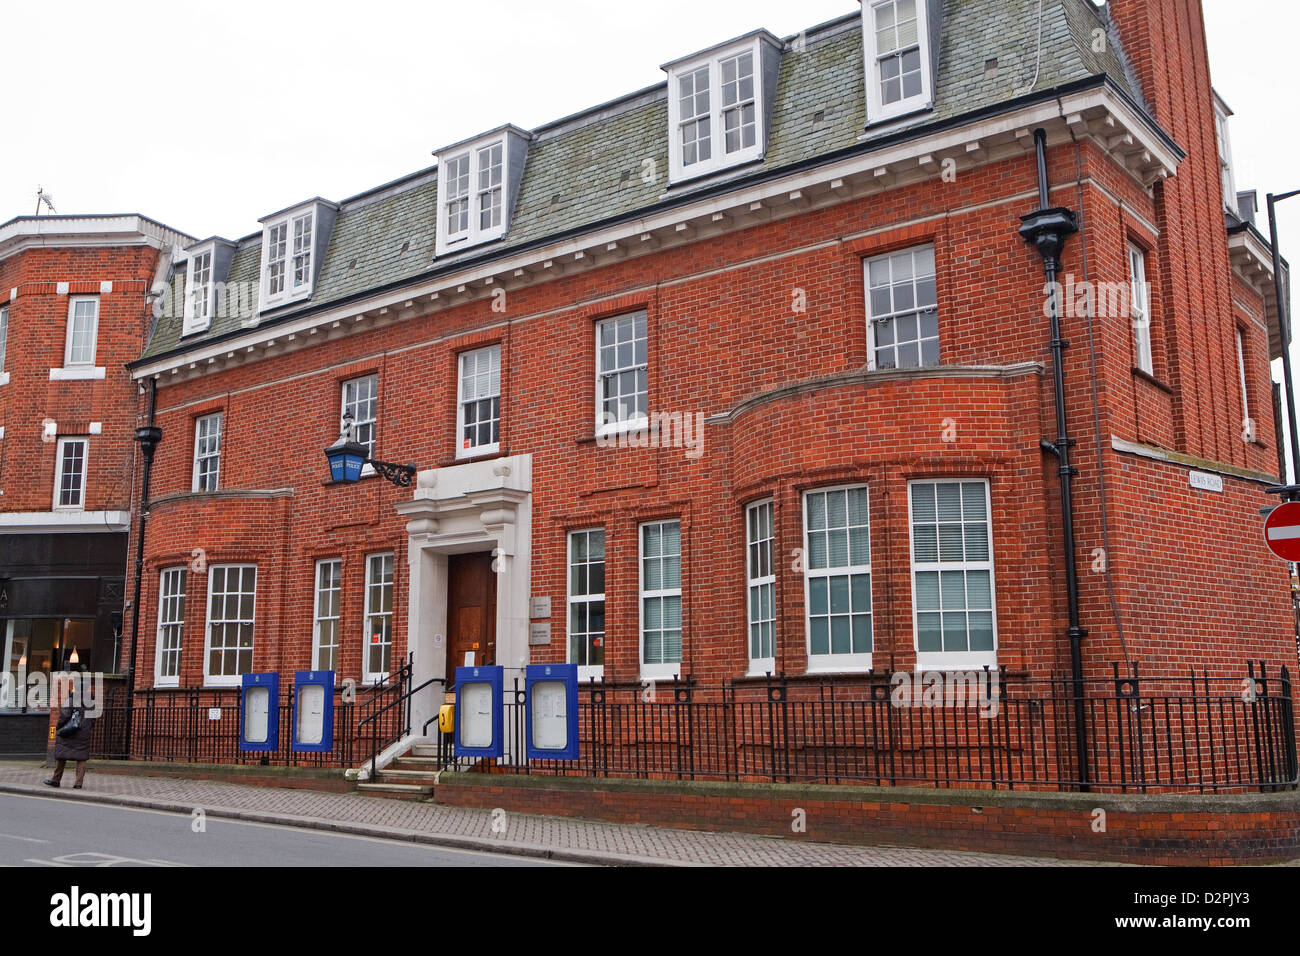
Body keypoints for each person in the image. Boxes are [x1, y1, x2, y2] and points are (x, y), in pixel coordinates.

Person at [44, 699, 95, 790]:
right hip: (83, 733)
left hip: (69, 732)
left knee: (61, 755)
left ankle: (56, 780)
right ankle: (78, 783)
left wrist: (58, 727)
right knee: (81, 757)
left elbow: (64, 716)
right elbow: (93, 720)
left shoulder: (71, 700)